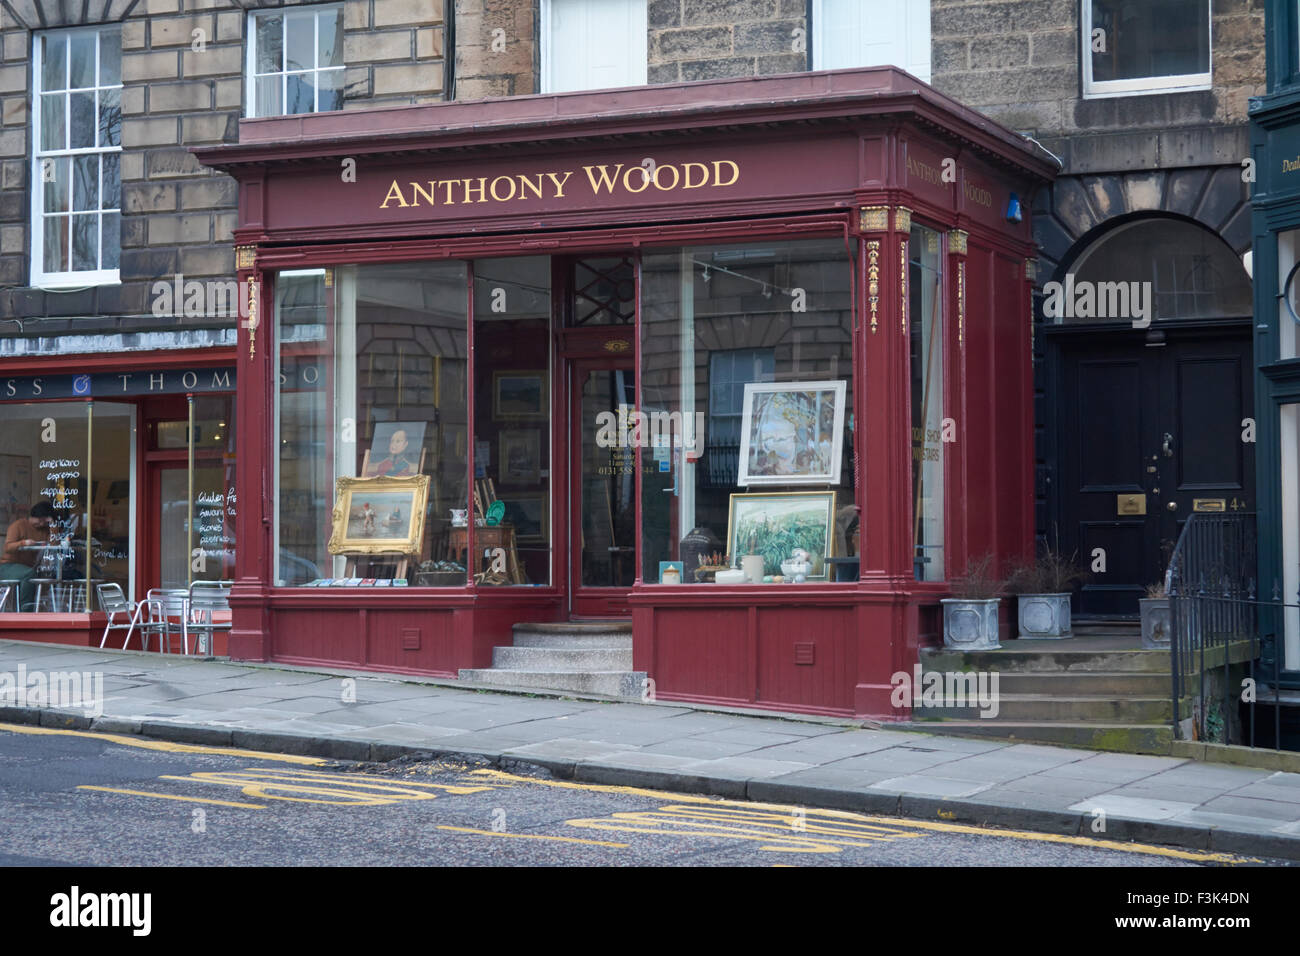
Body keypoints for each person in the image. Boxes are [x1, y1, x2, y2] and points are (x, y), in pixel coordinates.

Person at [0, 501, 54, 611]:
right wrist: (23, 543)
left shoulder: (45, 530)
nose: (42, 524)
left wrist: (53, 526)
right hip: (7, 566)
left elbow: (54, 545)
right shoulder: (18, 525)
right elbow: (7, 547)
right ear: (33, 516)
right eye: (40, 520)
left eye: (45, 521)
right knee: (30, 574)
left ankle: (44, 612)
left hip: (29, 568)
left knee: (49, 576)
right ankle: (26, 611)